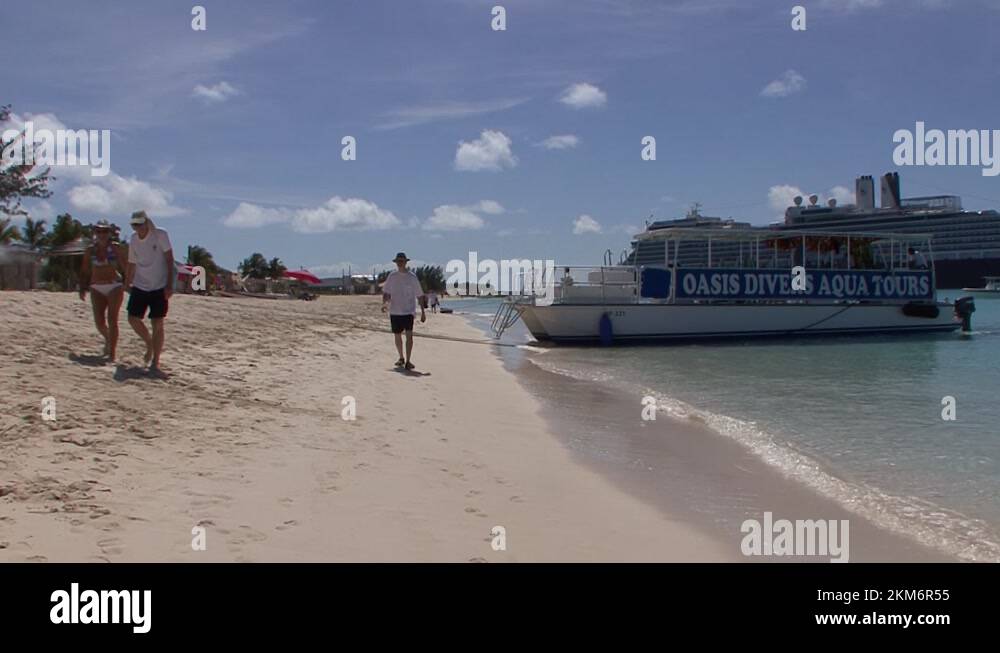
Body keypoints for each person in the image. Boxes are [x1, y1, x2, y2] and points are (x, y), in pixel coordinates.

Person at [123, 211, 173, 372]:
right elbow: (131, 262)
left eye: (141, 223)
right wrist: (126, 282)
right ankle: (149, 343)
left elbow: (169, 259)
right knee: (132, 318)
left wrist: (169, 284)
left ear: (147, 222)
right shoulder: (133, 239)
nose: (138, 227)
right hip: (140, 284)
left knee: (157, 323)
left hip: (159, 285)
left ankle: (155, 361)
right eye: (135, 224)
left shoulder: (160, 235)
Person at [79, 220, 127, 360]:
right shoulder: (90, 250)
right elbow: (85, 269)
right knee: (99, 322)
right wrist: (82, 287)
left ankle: (112, 353)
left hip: (114, 285)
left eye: (105, 231)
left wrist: (128, 282)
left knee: (113, 320)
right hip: (96, 287)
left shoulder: (115, 248)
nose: (102, 234)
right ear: (95, 233)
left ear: (109, 233)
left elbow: (125, 266)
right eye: (99, 231)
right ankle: (108, 338)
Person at [381, 252, 426, 370]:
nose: (400, 263)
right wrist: (384, 304)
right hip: (395, 311)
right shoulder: (392, 276)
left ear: (406, 262)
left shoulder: (412, 277)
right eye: (398, 261)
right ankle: (401, 357)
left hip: (408, 311)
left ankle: (408, 361)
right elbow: (386, 292)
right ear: (396, 263)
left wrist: (423, 312)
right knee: (397, 336)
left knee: (409, 337)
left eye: (402, 261)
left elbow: (420, 295)